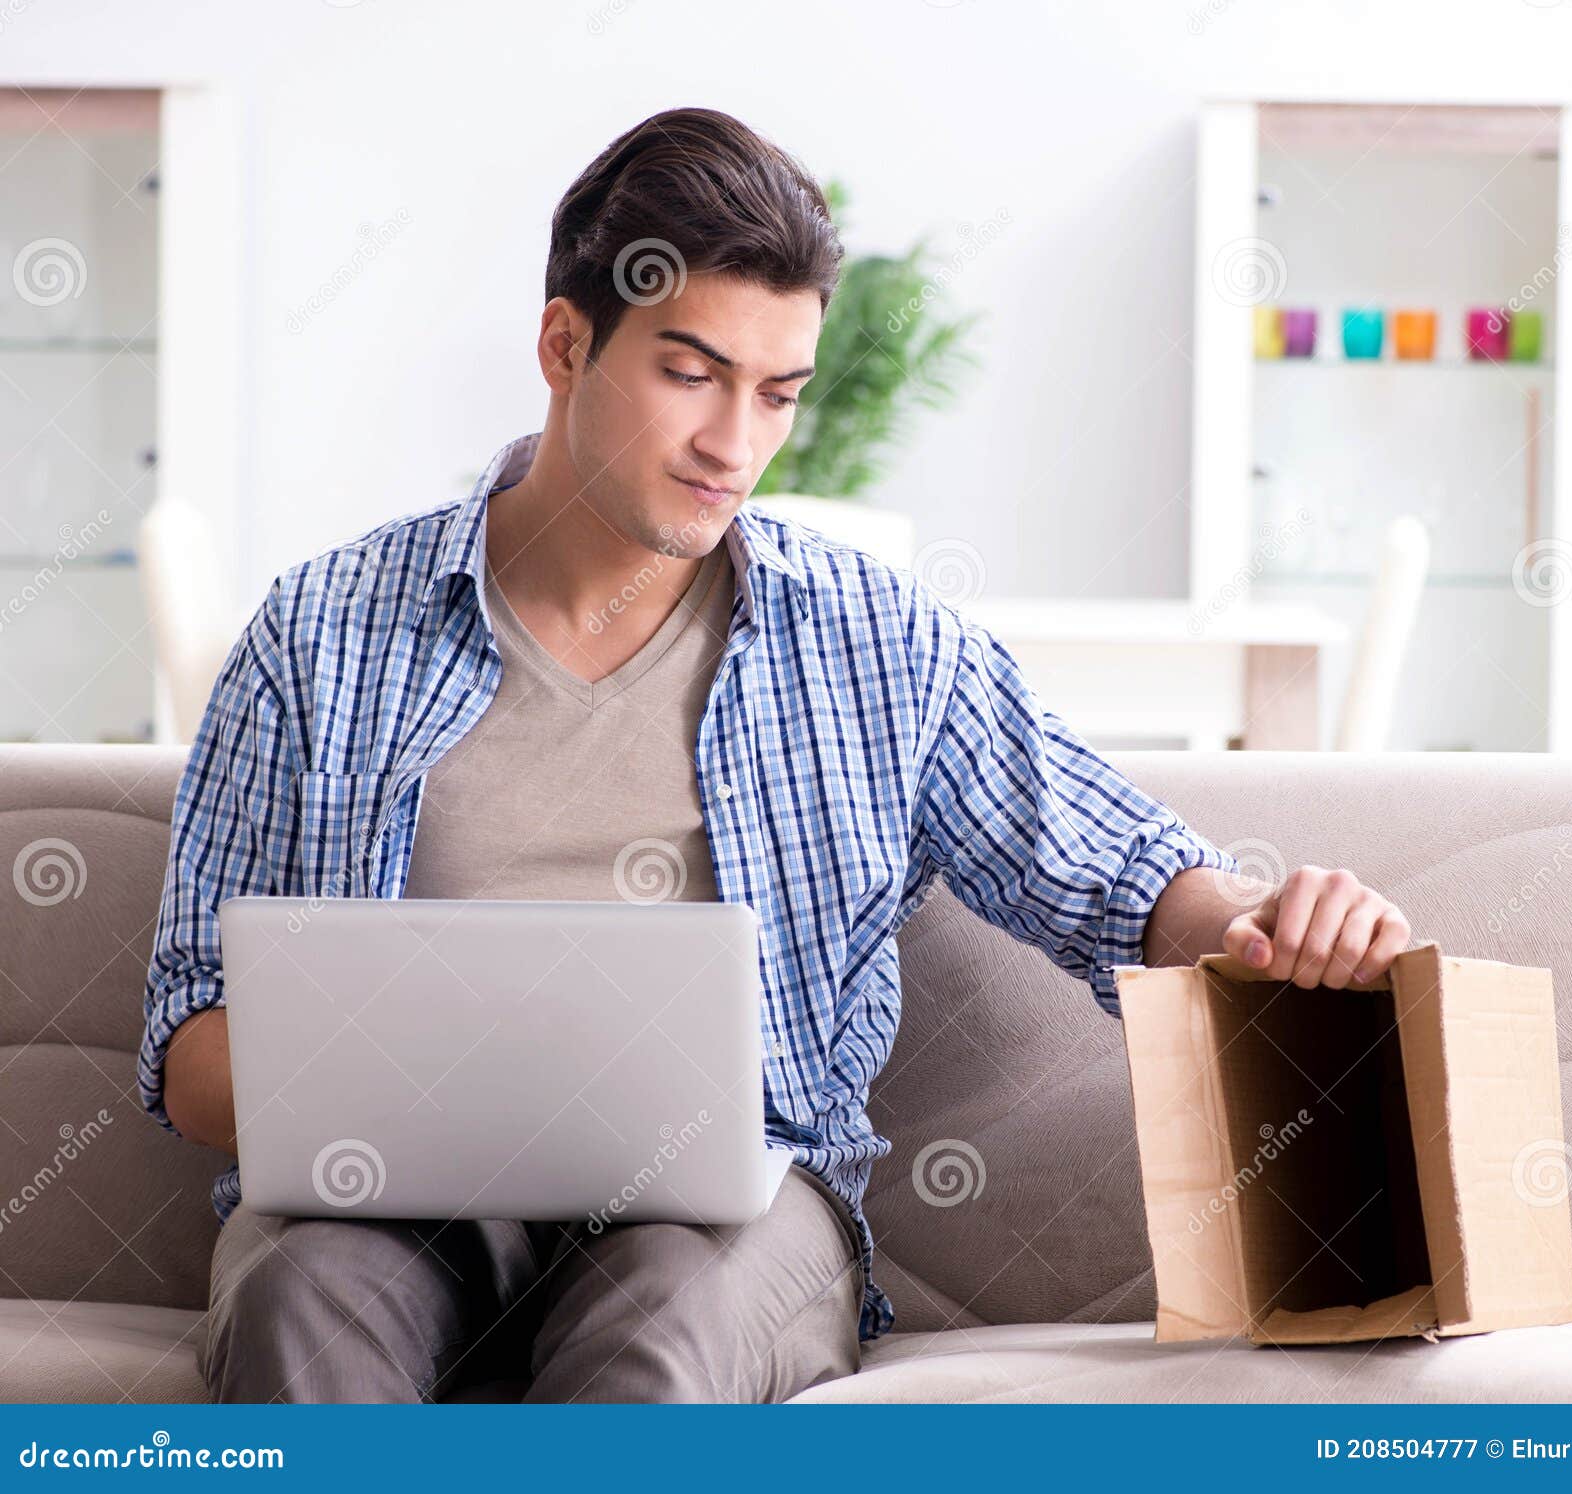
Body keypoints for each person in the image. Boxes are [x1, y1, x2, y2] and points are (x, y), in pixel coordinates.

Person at [138, 106, 1412, 1405]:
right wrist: (455, 1081)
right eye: (691, 374)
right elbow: (191, 1052)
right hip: (374, 1206)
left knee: (665, 1331)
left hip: (734, 1210)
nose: (733, 444)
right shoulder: (321, 637)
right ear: (564, 343)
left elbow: (1120, 880)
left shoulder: (874, 642)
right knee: (305, 1301)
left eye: (777, 394)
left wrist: (1265, 924)